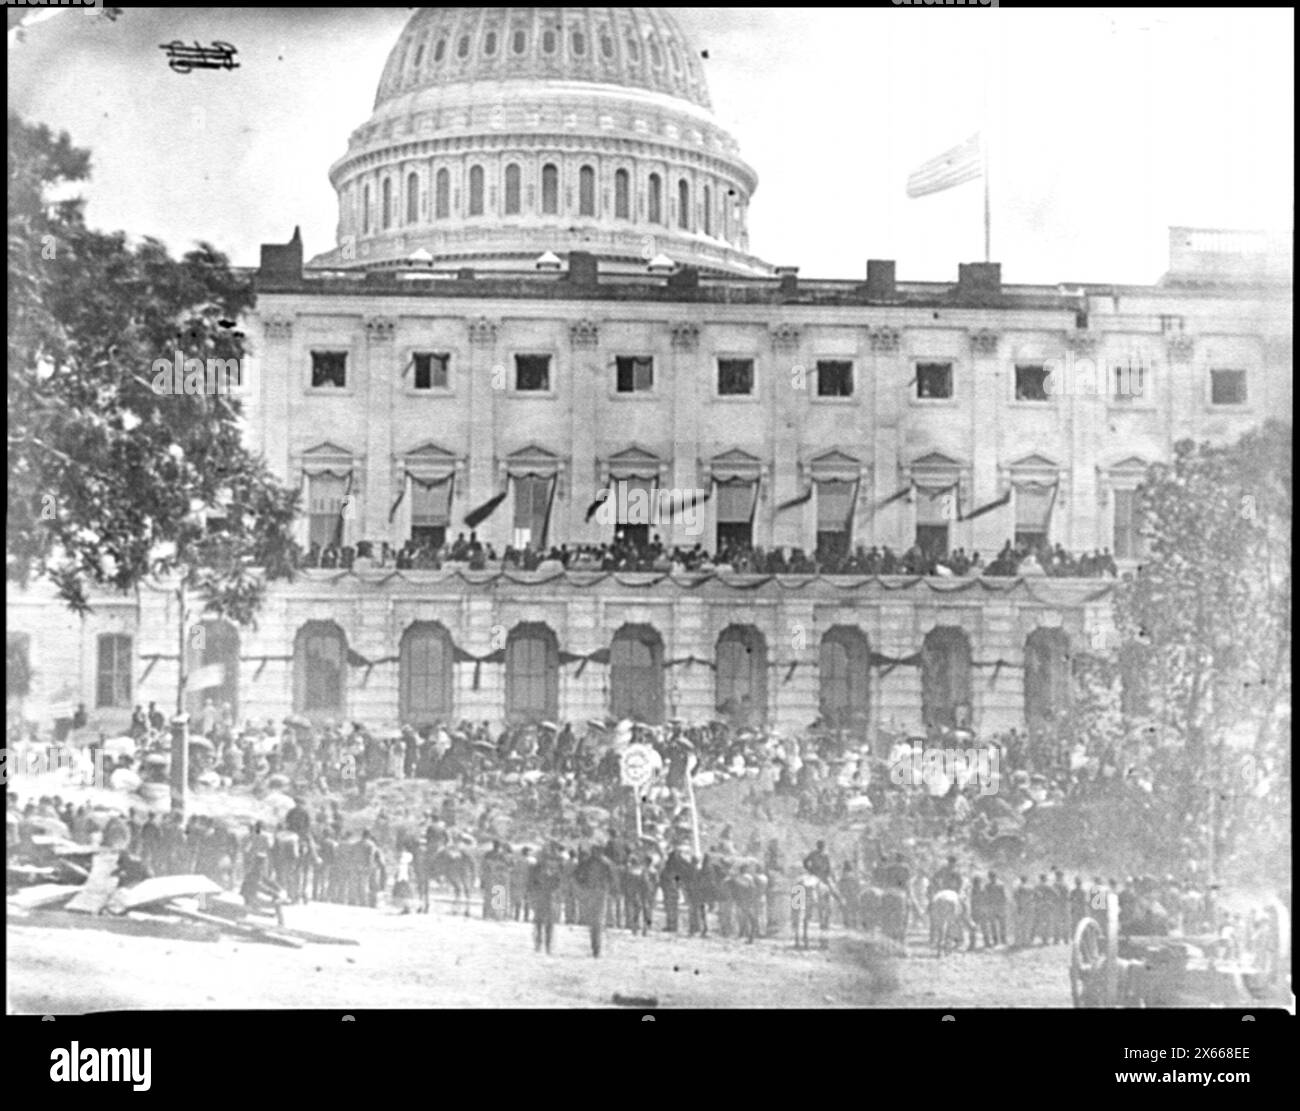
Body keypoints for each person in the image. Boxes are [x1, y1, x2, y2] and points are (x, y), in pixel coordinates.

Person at [574, 845, 618, 957]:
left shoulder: (589, 862)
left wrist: (583, 885)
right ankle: (596, 948)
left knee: (595, 920)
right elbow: (613, 879)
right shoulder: (606, 863)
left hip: (594, 891)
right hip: (599, 891)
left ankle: (596, 947)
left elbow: (577, 875)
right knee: (597, 920)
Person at [527, 842, 564, 954]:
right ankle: (545, 945)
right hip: (548, 895)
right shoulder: (557, 865)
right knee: (547, 922)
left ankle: (541, 945)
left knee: (541, 921)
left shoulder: (539, 865)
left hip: (544, 894)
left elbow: (532, 880)